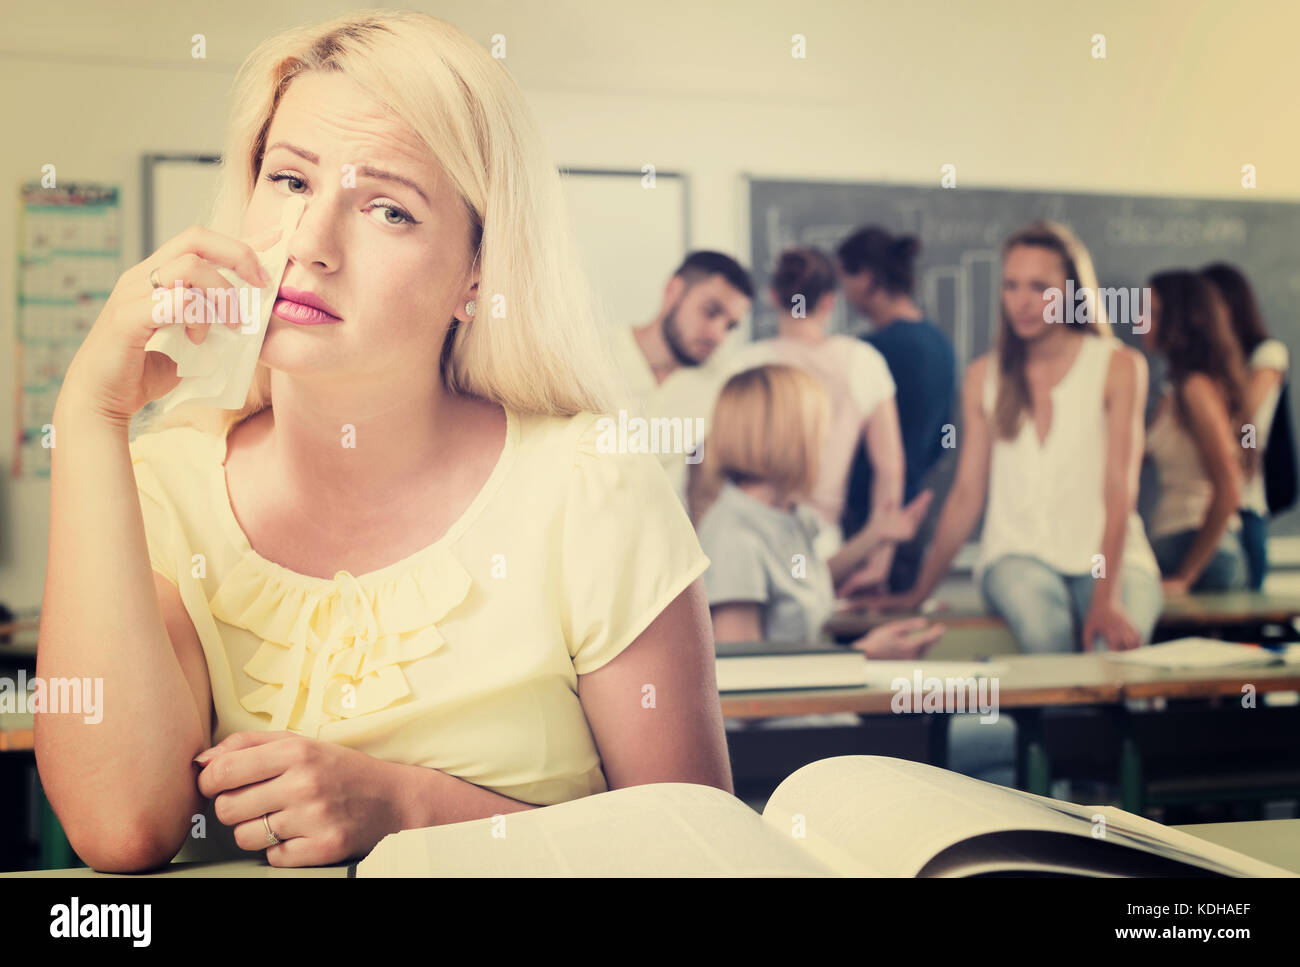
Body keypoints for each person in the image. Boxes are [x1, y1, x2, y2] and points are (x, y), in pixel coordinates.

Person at [37, 11, 730, 873]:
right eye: (290, 182)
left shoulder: (589, 488)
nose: (314, 247)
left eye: (388, 209)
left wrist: (410, 805)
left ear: (477, 273)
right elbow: (119, 827)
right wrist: (89, 416)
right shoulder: (163, 484)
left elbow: (705, 850)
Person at [857, 221, 1162, 654]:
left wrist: (1106, 597)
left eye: (1040, 287)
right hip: (1018, 556)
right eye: (1012, 285)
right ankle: (1052, 724)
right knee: (1047, 636)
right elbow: (965, 495)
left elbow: (1120, 488)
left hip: (1114, 557)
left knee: (1113, 655)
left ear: (1072, 291)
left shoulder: (1119, 366)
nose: (1022, 301)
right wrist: (919, 591)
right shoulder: (984, 375)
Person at [697, 364, 938, 655]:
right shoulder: (733, 539)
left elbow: (799, 582)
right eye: (819, 426)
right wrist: (865, 655)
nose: (826, 439)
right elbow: (748, 673)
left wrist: (875, 535)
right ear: (787, 437)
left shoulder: (788, 515)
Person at [694, 247, 904, 577]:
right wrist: (879, 562)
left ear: (772, 295)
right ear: (829, 302)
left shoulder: (744, 364)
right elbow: (890, 469)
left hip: (752, 536)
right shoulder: (863, 362)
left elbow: (709, 466)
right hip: (826, 543)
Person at [836, 226, 956, 593]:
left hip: (867, 524)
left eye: (845, 279)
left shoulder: (870, 354)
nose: (843, 292)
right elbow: (940, 442)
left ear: (867, 279)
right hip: (912, 516)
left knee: (850, 638)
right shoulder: (940, 344)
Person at [609, 251, 754, 504]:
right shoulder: (589, 356)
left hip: (659, 535)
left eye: (730, 326)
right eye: (710, 312)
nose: (718, 334)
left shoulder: (723, 381)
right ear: (673, 291)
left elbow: (705, 487)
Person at [1143, 271, 1252, 592]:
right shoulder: (1174, 391)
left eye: (1152, 312)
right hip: (1175, 543)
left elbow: (1229, 487)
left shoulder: (1196, 389)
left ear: (1181, 319)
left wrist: (1186, 577)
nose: (1141, 322)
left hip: (1201, 554)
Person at [1202, 263, 1289, 589]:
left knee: (1247, 604)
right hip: (1205, 505)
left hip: (1247, 497)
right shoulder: (1207, 365)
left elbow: (1240, 418)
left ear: (1230, 305)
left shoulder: (1267, 354)